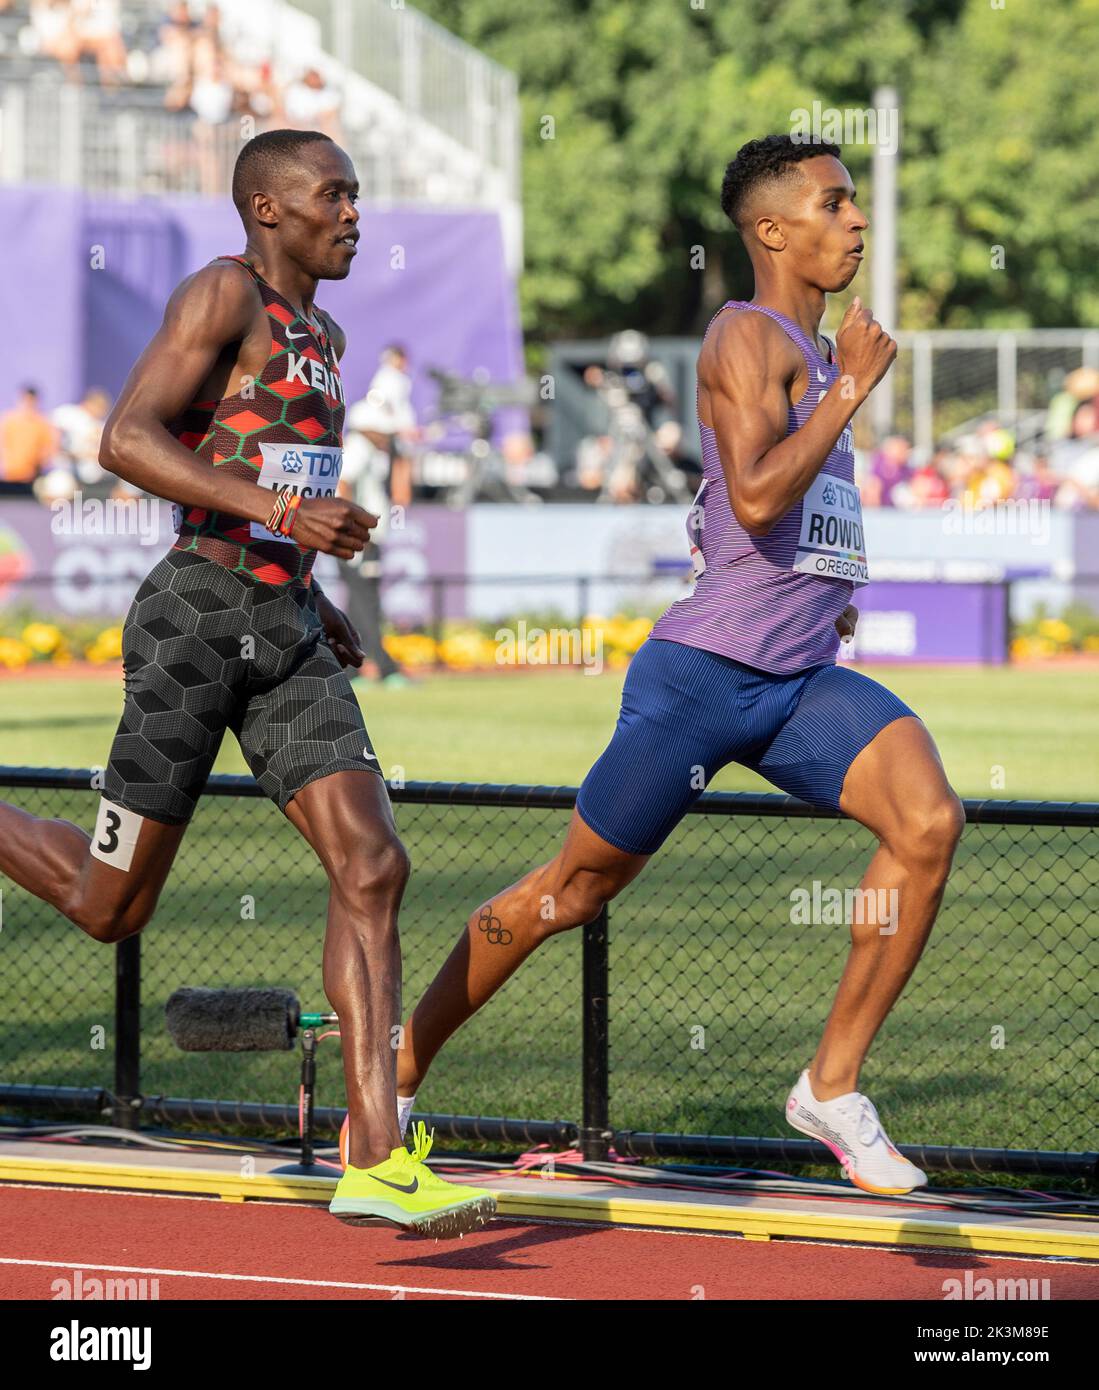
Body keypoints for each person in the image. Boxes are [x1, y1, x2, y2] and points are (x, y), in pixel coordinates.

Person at [393, 135, 966, 1197]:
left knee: (928, 821)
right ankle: (400, 1063)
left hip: (795, 681)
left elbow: (776, 520)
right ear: (770, 229)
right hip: (701, 679)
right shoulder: (743, 335)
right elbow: (753, 495)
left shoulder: (814, 343)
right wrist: (847, 390)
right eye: (834, 204)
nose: (855, 222)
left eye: (853, 204)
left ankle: (829, 1088)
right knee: (565, 896)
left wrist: (827, 589)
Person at [0, 129, 494, 1239]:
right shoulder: (223, 292)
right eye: (335, 195)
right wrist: (278, 518)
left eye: (358, 196)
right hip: (191, 627)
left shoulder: (327, 330)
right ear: (268, 210)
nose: (356, 215)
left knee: (372, 860)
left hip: (280, 629)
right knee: (105, 907)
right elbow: (126, 439)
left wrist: (306, 585)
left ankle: (372, 1155)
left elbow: (246, 459)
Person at [0, 385, 58, 496]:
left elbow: (48, 449)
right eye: (25, 400)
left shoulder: (42, 423)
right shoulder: (8, 421)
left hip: (31, 480)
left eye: (31, 401)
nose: (28, 404)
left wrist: (40, 464)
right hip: (8, 478)